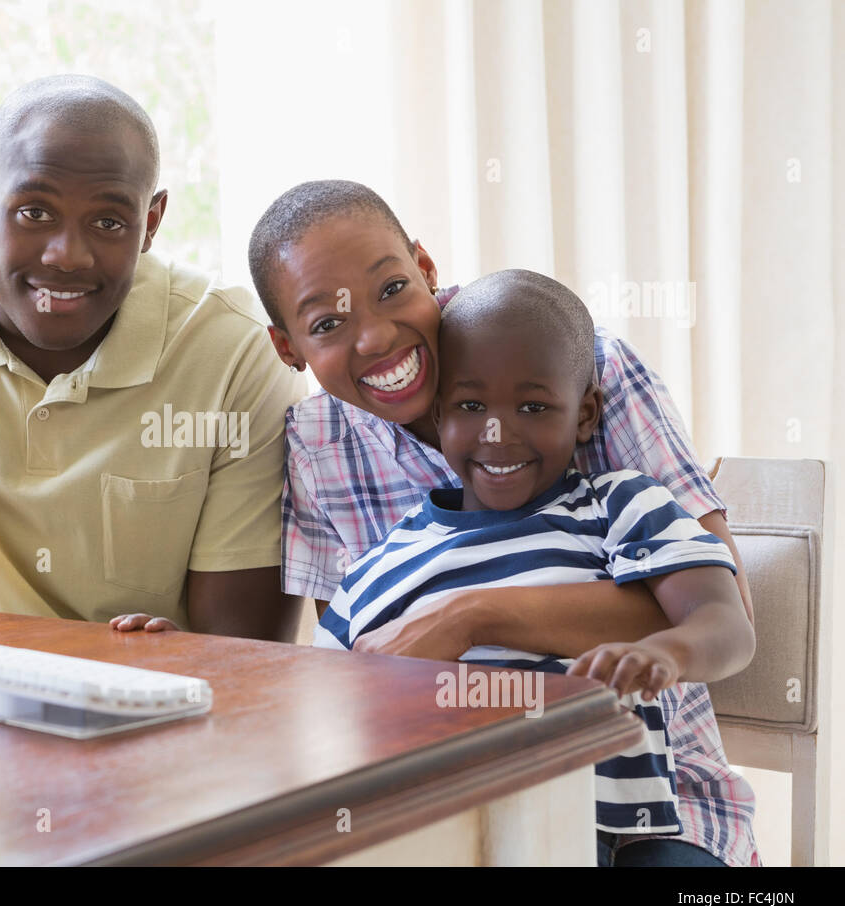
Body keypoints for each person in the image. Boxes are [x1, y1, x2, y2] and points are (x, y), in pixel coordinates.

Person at [245, 180, 759, 865]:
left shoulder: (574, 364)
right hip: (446, 807)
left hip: (655, 802)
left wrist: (473, 614)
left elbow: (720, 611)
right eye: (328, 323)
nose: (374, 335)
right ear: (288, 347)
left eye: (392, 288)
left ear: (425, 269)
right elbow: (356, 675)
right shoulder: (317, 444)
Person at [0, 75, 305, 641]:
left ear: (153, 222)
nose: (67, 255)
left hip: (149, 715)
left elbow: (241, 663)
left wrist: (165, 667)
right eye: (35, 212)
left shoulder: (235, 352)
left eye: (109, 222)